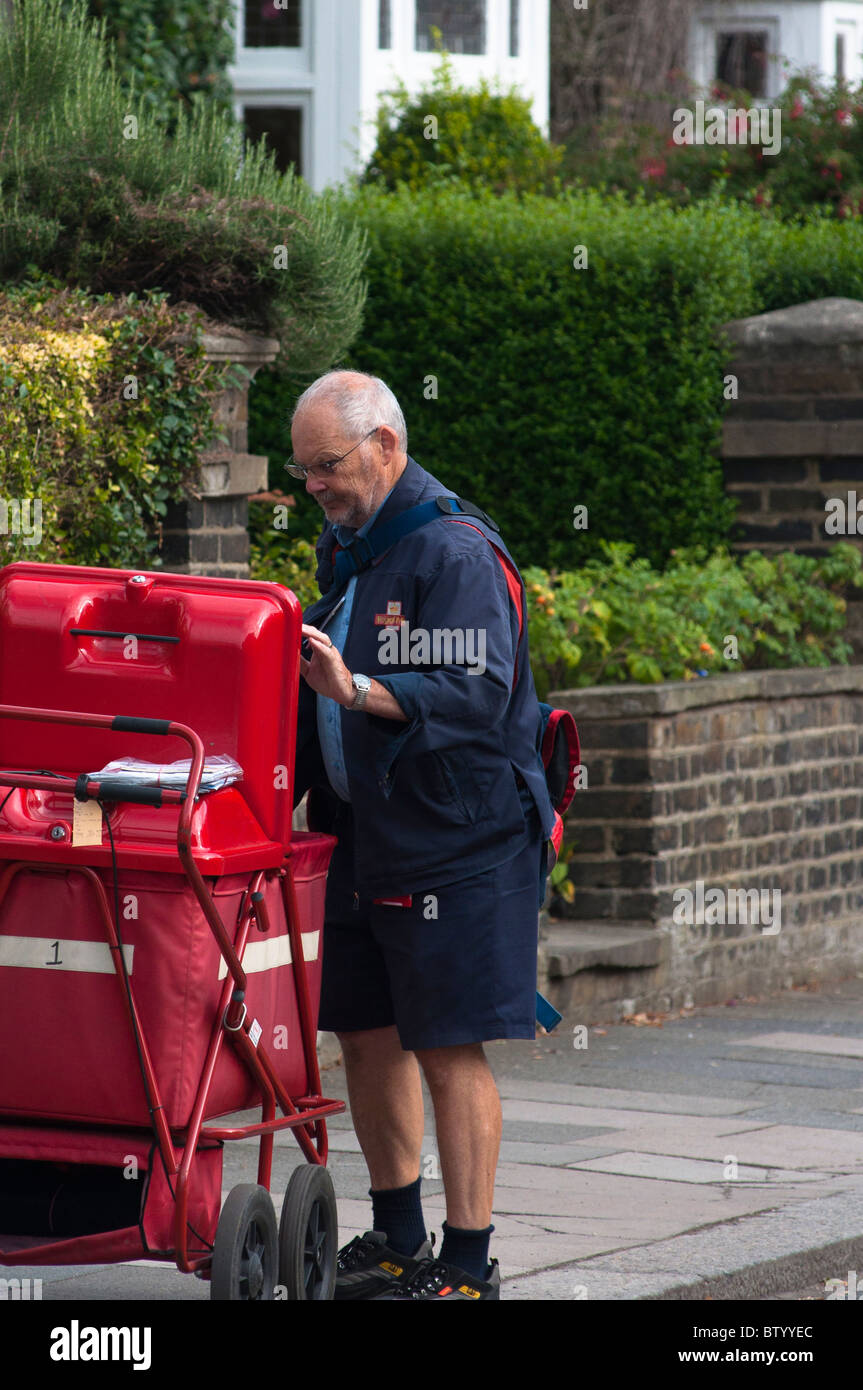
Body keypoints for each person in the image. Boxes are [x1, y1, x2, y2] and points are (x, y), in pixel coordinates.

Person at [291, 370, 555, 1301]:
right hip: (363, 834)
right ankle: (398, 1238)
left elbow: (477, 694)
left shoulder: (452, 552)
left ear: (386, 447)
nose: (315, 485)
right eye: (305, 471)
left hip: (460, 839)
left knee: (447, 1046)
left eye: (327, 466)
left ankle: (468, 1265)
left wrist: (354, 691)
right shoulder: (350, 542)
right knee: (365, 1034)